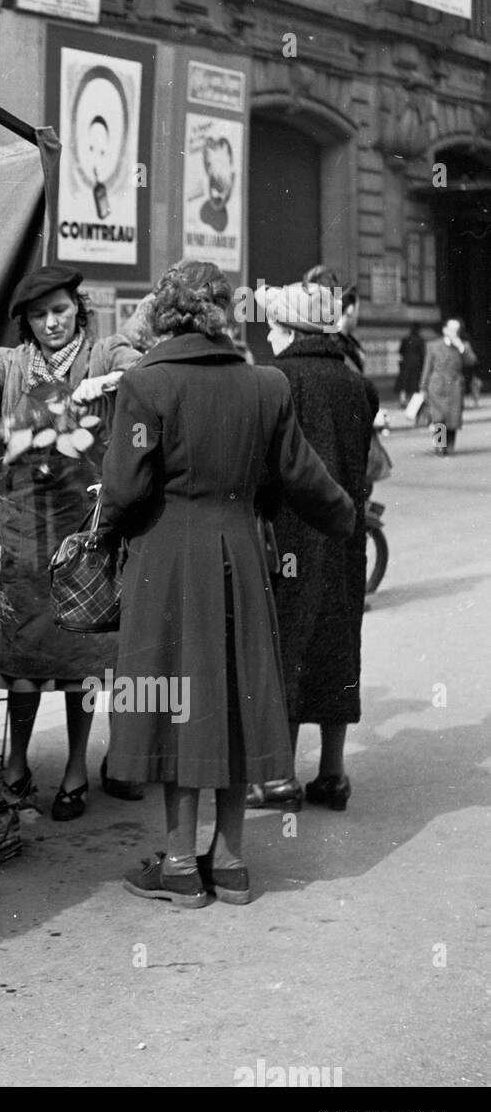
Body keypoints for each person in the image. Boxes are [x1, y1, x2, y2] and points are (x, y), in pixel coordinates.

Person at [99, 260, 355, 907]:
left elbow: (125, 490)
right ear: (224, 313)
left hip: (165, 563)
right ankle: (234, 863)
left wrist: (105, 532)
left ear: (165, 312)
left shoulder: (144, 383)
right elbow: (300, 476)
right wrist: (344, 517)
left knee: (174, 703)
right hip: (241, 557)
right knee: (237, 700)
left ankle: (181, 865)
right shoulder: (266, 385)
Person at [0, 266, 142, 819]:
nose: (51, 322)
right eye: (39, 315)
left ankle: (74, 770)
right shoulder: (9, 364)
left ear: (77, 308)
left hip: (82, 524)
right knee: (23, 650)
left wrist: (106, 383)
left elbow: (142, 373)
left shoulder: (104, 351)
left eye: (60, 310)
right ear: (27, 322)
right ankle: (15, 766)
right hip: (24, 528)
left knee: (82, 649)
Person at [246, 285, 377, 814]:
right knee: (341, 649)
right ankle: (333, 774)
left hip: (291, 536)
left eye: (275, 327)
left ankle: (279, 779)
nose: (270, 336)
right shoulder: (358, 386)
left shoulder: (279, 381)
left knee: (289, 650)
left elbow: (268, 468)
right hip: (346, 535)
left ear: (293, 331)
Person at [418, 318, 477, 454]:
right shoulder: (433, 345)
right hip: (437, 386)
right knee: (439, 418)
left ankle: (449, 446)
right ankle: (439, 446)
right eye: (451, 329)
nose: (454, 332)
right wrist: (422, 387)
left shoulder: (463, 346)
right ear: (445, 330)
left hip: (455, 387)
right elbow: (427, 367)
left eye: (457, 330)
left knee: (453, 418)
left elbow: (471, 362)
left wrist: (461, 347)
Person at [395, 326, 425, 406]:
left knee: (404, 382)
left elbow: (400, 351)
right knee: (414, 383)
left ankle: (403, 399)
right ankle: (412, 403)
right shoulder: (420, 340)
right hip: (417, 363)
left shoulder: (405, 339)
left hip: (406, 362)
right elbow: (423, 353)